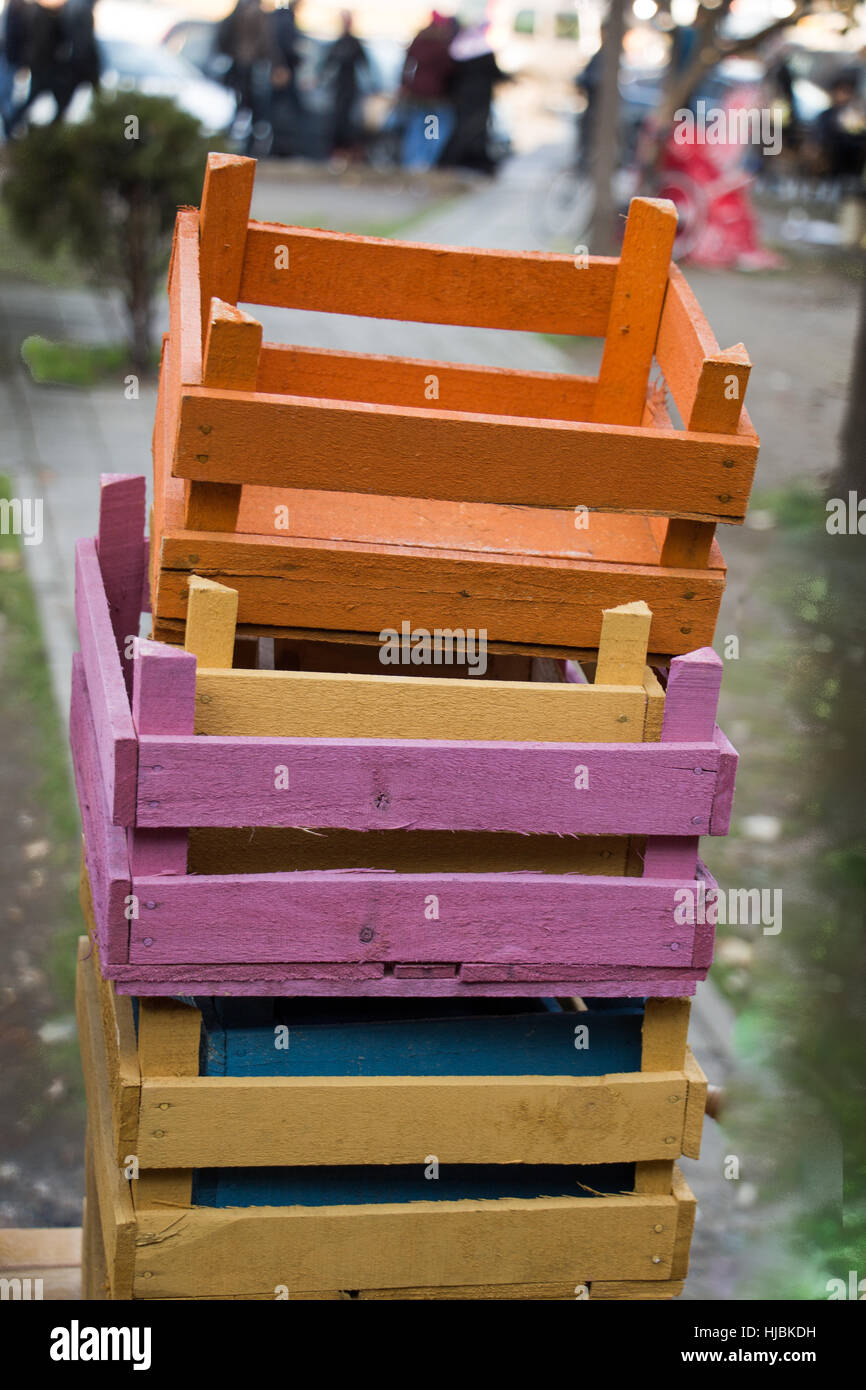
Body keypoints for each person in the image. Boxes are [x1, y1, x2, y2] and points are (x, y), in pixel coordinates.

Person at [5, 0, 99, 135]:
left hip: (45, 65)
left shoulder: (52, 12)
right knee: (47, 101)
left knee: (52, 102)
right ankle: (19, 129)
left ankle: (24, 130)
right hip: (46, 66)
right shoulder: (61, 12)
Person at [440, 20, 509, 175]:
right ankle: (464, 161)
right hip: (479, 97)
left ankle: (456, 161)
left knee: (463, 129)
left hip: (462, 97)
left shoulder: (459, 48)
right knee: (473, 130)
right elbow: (495, 73)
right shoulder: (483, 50)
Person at [400, 11, 456, 169]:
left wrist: (406, 86)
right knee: (433, 131)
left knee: (417, 129)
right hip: (435, 96)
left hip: (417, 94)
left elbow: (406, 66)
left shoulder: (419, 41)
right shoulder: (442, 44)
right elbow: (448, 69)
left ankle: (412, 163)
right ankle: (426, 162)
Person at [217, 0, 273, 143]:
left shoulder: (239, 10)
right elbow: (265, 41)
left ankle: (232, 135)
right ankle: (246, 138)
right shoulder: (258, 13)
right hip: (250, 65)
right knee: (248, 104)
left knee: (239, 102)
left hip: (239, 62)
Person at [319, 9, 368, 160]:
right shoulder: (339, 43)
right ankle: (338, 151)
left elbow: (365, 66)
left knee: (348, 121)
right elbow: (327, 64)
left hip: (350, 88)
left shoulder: (353, 43)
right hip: (339, 88)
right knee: (338, 120)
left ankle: (348, 151)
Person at [811, 69, 866, 189]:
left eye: (848, 92)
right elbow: (818, 141)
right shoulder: (826, 115)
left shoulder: (856, 117)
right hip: (828, 170)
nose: (844, 96)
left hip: (851, 171)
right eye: (841, 91)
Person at [270, 0, 306, 157]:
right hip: (284, 71)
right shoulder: (285, 18)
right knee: (284, 111)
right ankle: (282, 148)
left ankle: (281, 147)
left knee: (280, 110)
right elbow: (283, 45)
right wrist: (283, 65)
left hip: (282, 69)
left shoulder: (279, 17)